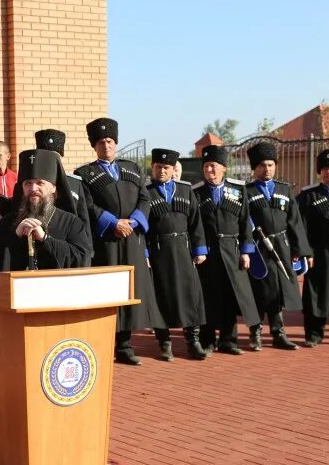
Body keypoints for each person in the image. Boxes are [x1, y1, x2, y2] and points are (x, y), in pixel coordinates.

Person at [74, 118, 164, 365]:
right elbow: (87, 206)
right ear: (94, 146)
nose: (106, 146)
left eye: (110, 141)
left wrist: (133, 222)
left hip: (131, 238)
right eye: (101, 142)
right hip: (107, 241)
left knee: (129, 292)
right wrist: (113, 223)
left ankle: (125, 346)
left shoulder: (132, 168)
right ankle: (105, 344)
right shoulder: (84, 174)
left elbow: (145, 199)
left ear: (115, 142)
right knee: (108, 292)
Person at [193, 145, 260, 354]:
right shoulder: (196, 193)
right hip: (208, 252)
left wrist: (246, 252)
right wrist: (199, 250)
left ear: (223, 167)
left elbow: (245, 223)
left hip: (232, 251)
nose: (209, 170)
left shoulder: (238, 190)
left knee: (231, 295)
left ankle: (228, 340)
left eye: (213, 166)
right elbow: (195, 225)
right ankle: (207, 340)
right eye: (206, 166)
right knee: (208, 295)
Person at [245, 142, 311, 350]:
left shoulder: (285, 189)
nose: (267, 169)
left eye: (271, 165)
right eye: (262, 165)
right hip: (258, 248)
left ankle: (278, 333)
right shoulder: (246, 191)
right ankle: (255, 333)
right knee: (259, 290)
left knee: (278, 292)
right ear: (254, 168)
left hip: (282, 246)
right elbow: (243, 222)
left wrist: (299, 250)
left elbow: (295, 221)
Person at [145, 149, 208, 361]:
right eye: (158, 167)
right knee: (160, 297)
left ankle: (193, 342)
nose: (162, 171)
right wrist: (145, 253)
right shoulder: (146, 192)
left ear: (173, 169)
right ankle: (165, 344)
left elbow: (196, 222)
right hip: (159, 252)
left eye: (166, 168)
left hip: (184, 250)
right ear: (152, 168)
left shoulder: (185, 190)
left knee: (191, 295)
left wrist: (200, 249)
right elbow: (142, 228)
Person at [0, 149, 91, 272]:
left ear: (53, 188)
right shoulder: (7, 222)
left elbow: (83, 260)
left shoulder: (70, 222)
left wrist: (45, 239)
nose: (33, 188)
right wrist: (14, 237)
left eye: (40, 183)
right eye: (28, 183)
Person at [296, 149, 329, 347]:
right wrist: (305, 252)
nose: (328, 172)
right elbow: (300, 226)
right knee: (316, 293)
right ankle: (314, 334)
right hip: (318, 252)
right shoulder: (309, 195)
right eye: (324, 168)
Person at [34, 128, 93, 242]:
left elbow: (84, 220)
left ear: (60, 157)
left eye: (54, 157)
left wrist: (87, 249)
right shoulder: (30, 185)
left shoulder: (75, 183)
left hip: (68, 242)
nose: (50, 161)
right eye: (46, 157)